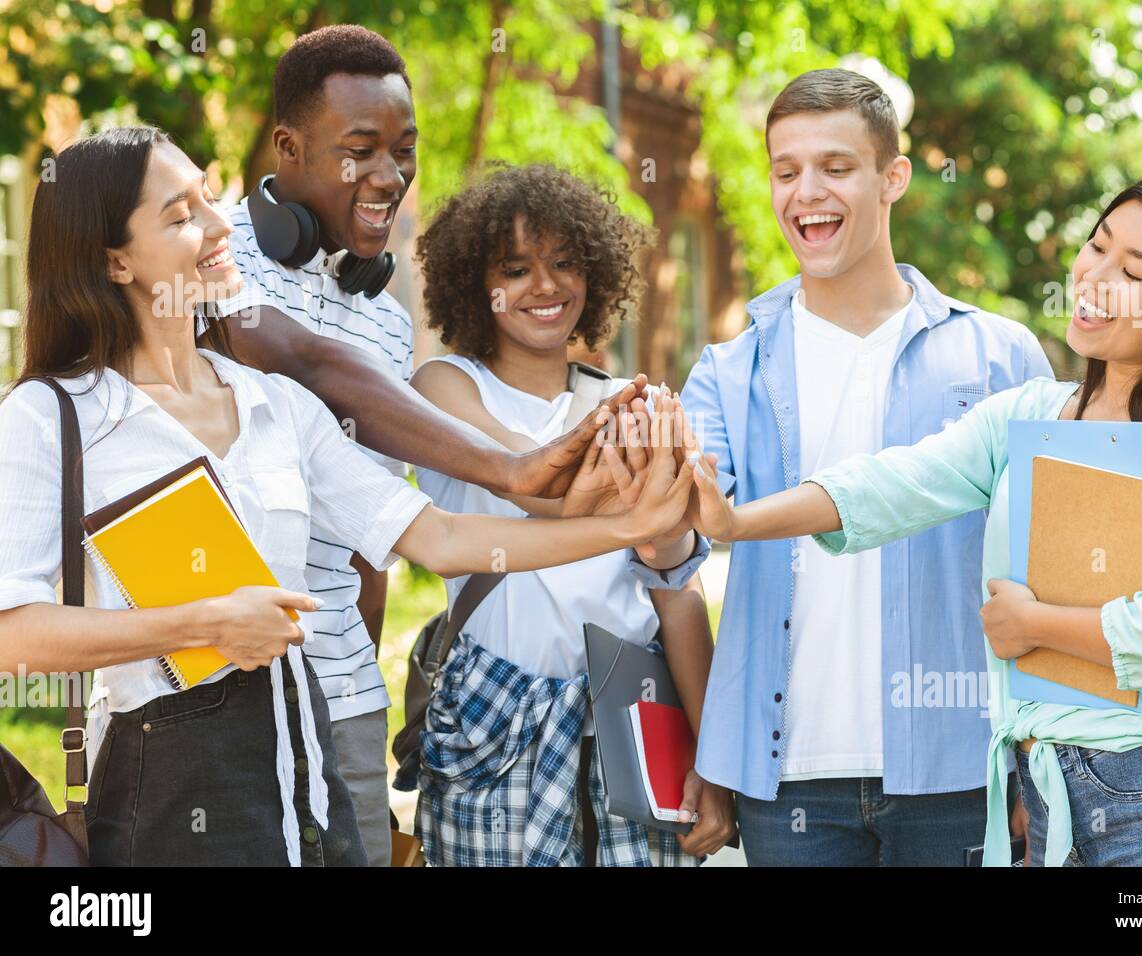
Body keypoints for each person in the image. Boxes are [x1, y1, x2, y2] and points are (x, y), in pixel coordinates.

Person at [0, 127, 695, 866]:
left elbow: (444, 539)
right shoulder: (51, 417)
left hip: (307, 778)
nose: (216, 224)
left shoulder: (276, 405)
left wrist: (633, 524)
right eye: (179, 216)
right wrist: (198, 623)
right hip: (165, 793)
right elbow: (13, 634)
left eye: (208, 196)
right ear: (114, 259)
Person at [689, 168, 1142, 867]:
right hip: (1051, 796)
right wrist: (736, 522)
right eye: (1097, 246)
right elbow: (895, 483)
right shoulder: (1032, 412)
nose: (1095, 277)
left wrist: (1029, 625)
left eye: (1135, 270)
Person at [201, 26, 642, 864]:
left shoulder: (383, 317)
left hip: (345, 694)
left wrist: (362, 687)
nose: (389, 177)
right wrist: (512, 467)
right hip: (218, 692)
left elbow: (384, 535)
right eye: (358, 151)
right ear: (288, 147)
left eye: (403, 152)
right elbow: (302, 357)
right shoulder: (211, 265)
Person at [680, 67, 1053, 866]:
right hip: (786, 777)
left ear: (893, 178)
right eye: (786, 171)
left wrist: (1036, 759)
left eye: (835, 167)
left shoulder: (999, 356)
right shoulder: (727, 370)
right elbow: (672, 551)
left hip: (960, 766)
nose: (805, 191)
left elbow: (1044, 568)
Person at [403, 163, 735, 865]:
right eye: (515, 268)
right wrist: (638, 491)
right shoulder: (443, 387)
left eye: (564, 263)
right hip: (495, 732)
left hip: (632, 732)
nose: (545, 286)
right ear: (474, 283)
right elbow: (532, 478)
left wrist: (714, 760)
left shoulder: (632, 400)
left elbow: (676, 593)